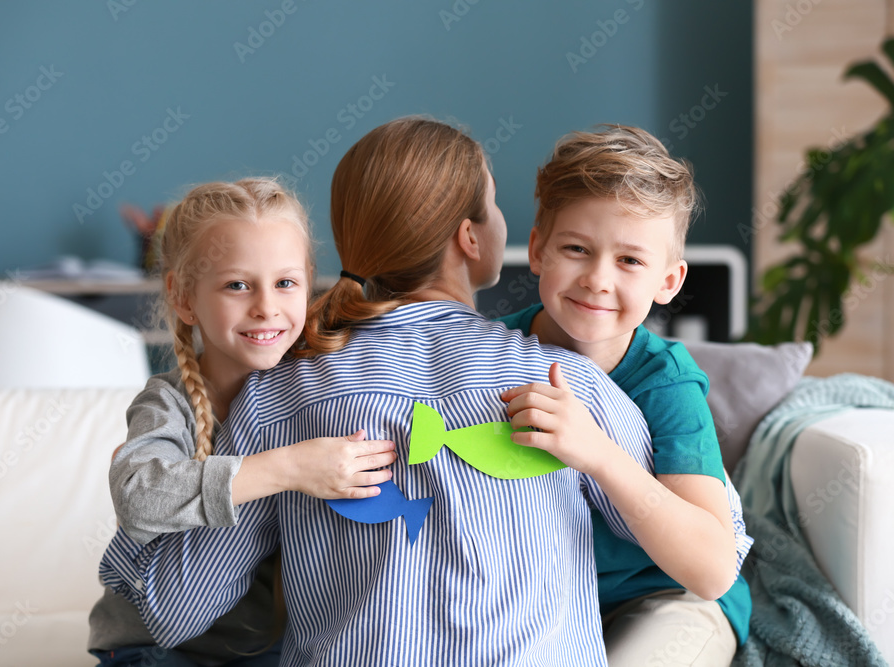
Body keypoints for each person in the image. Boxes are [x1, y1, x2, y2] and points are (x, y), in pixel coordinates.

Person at [98, 116, 740, 665]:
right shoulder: (566, 385)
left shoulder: (276, 395)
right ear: (472, 237)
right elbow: (715, 555)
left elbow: (174, 609)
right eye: (493, 207)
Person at [88, 179, 397, 667]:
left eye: (286, 283)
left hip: (267, 647)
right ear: (184, 296)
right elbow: (139, 495)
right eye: (237, 284)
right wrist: (291, 467)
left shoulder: (319, 395)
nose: (266, 306)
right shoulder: (168, 403)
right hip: (155, 646)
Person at [497, 125, 753, 665]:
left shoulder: (666, 384)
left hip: (665, 598)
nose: (597, 279)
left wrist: (598, 452)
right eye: (576, 249)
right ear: (539, 249)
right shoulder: (491, 353)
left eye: (630, 261)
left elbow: (710, 568)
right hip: (542, 602)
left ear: (669, 280)